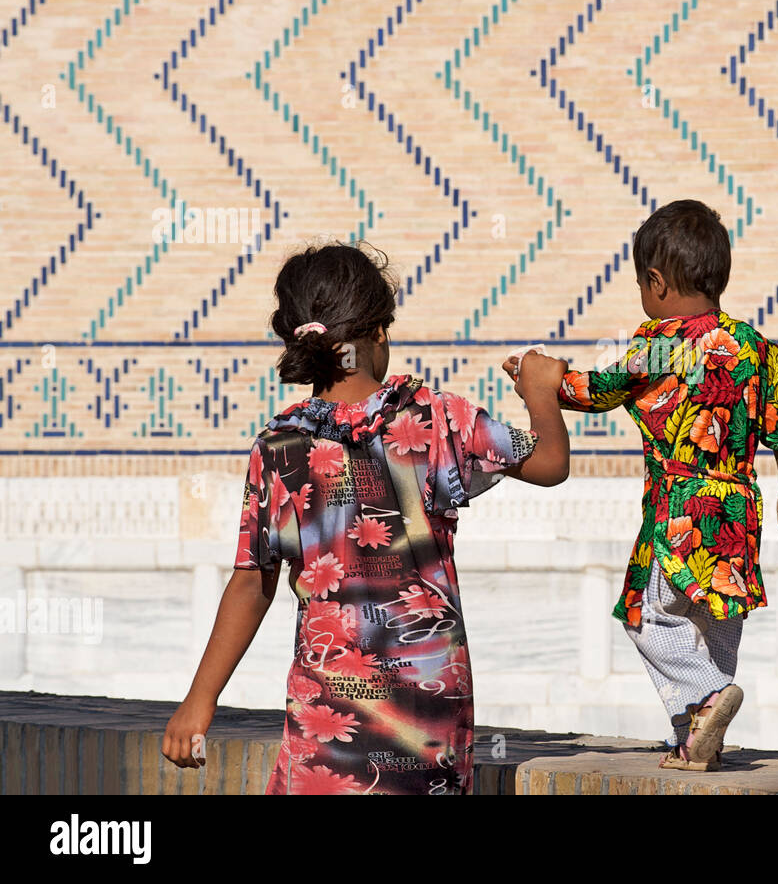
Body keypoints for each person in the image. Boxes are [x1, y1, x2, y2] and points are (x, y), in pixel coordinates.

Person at [164, 239, 569, 794]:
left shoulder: (281, 447)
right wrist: (540, 391)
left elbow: (251, 584)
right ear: (378, 333)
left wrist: (199, 702)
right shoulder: (439, 419)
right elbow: (548, 462)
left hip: (327, 722)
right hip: (431, 719)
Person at [504, 200, 778, 770]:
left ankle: (702, 701)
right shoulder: (756, 347)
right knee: (717, 620)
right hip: (739, 510)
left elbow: (599, 389)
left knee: (651, 614)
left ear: (656, 282)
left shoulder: (660, 344)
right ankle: (695, 737)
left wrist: (541, 379)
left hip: (681, 510)